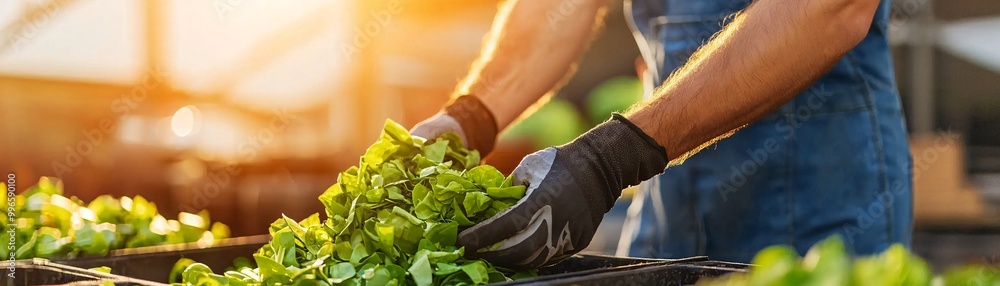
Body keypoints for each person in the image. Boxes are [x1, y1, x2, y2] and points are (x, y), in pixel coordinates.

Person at [410, 0, 911, 269]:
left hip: (819, 216)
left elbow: (832, 8)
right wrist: (468, 120)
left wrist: (611, 158)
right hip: (668, 207)